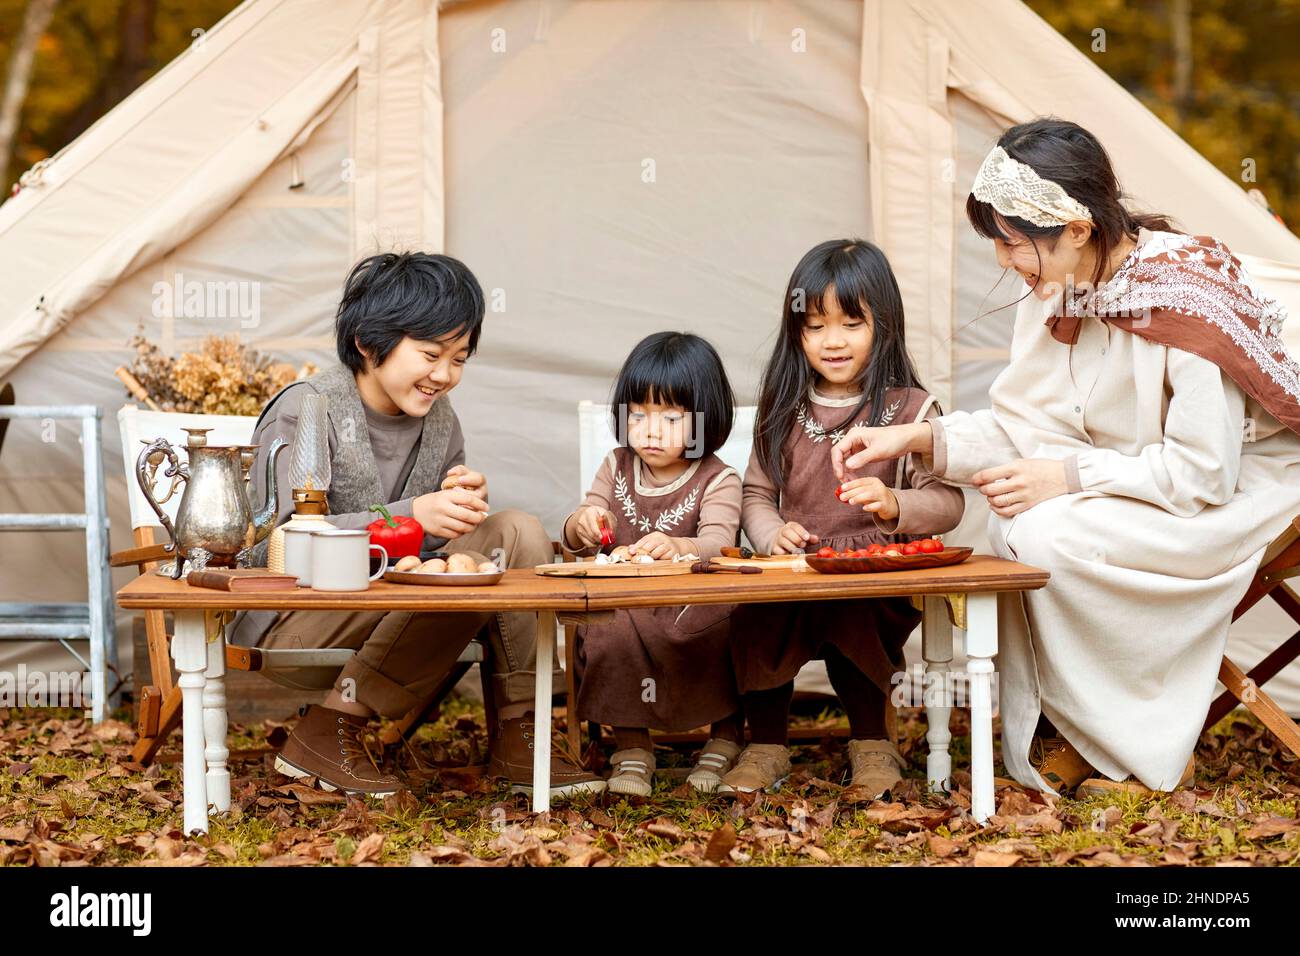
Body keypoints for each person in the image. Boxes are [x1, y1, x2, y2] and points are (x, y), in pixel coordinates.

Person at [833, 118, 1300, 796]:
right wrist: (920, 439)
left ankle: (1136, 751)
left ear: (1077, 229)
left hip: (1237, 489)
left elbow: (1203, 473)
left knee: (1046, 532)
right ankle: (1087, 733)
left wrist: (1068, 476)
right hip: (1136, 481)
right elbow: (1030, 426)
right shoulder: (1064, 286)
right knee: (991, 520)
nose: (1003, 261)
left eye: (1013, 242)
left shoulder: (1185, 301)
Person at [230, 251, 604, 799]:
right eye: (430, 353)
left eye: (459, 359)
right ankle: (329, 730)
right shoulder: (306, 410)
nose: (444, 375)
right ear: (367, 341)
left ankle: (522, 735)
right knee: (459, 578)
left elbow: (428, 547)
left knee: (516, 531)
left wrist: (456, 510)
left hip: (390, 603)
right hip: (297, 615)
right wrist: (413, 514)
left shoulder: (439, 420)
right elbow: (278, 544)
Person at [719, 239, 965, 796]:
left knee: (852, 613)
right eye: (815, 326)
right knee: (756, 614)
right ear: (796, 332)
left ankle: (874, 741)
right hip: (798, 568)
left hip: (872, 571)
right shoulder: (783, 410)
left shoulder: (910, 410)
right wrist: (770, 532)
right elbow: (756, 494)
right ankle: (766, 745)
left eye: (852, 323)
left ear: (884, 324)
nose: (833, 340)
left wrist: (895, 503)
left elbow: (950, 504)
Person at [562, 332, 745, 795]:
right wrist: (583, 524)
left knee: (731, 624)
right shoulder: (616, 465)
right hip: (627, 600)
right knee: (605, 624)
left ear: (706, 419)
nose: (651, 430)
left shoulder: (718, 478)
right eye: (638, 415)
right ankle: (632, 746)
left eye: (670, 416)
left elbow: (721, 543)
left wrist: (681, 547)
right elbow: (585, 524)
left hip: (689, 603)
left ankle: (724, 739)